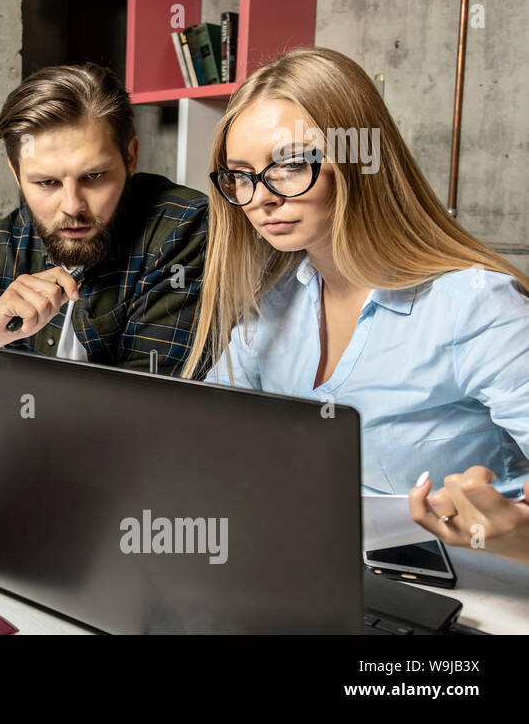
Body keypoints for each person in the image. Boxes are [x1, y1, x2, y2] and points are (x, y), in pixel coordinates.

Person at [185, 47, 529, 561]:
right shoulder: (275, 305)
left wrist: (520, 538)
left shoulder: (476, 307)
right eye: (240, 174)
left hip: (480, 599)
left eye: (291, 163)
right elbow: (204, 439)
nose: (260, 197)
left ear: (359, 161)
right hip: (317, 576)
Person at [0, 63, 208, 414]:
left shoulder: (184, 227)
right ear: (16, 174)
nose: (72, 206)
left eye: (94, 176)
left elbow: (148, 405)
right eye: (47, 183)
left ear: (130, 157)